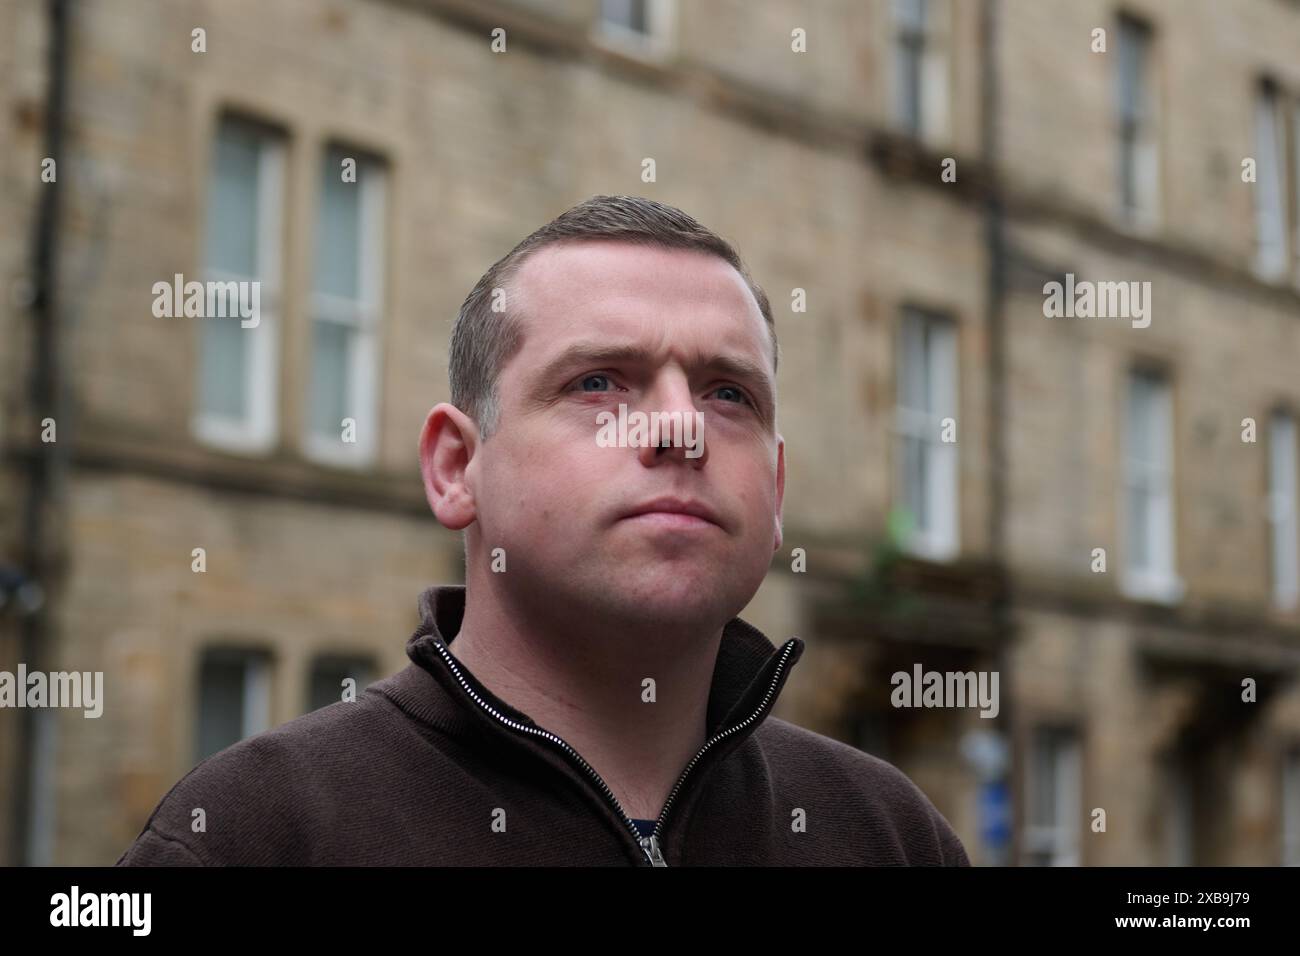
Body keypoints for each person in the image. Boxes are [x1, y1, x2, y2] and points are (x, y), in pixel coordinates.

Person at [117, 195, 970, 866]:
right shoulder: (250, 837)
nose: (681, 429)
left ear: (777, 489)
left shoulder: (891, 836)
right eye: (600, 382)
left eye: (727, 393)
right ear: (457, 467)